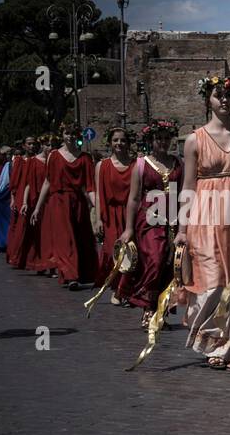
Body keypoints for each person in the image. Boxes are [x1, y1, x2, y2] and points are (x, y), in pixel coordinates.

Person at [176, 75, 230, 367]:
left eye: (228, 94)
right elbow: (187, 185)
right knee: (211, 281)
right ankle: (213, 339)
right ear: (207, 99)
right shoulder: (193, 140)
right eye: (217, 94)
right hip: (206, 213)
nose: (224, 99)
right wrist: (182, 228)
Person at [118, 120, 183, 329]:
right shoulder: (141, 164)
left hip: (172, 220)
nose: (163, 142)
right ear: (151, 140)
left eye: (166, 138)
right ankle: (147, 308)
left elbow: (183, 195)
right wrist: (128, 228)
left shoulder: (177, 163)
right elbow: (134, 198)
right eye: (159, 139)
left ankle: (160, 311)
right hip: (149, 220)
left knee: (169, 264)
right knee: (153, 260)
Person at [30, 123, 98, 289]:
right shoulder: (54, 156)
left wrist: (98, 209)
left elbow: (89, 187)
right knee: (65, 239)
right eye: (68, 133)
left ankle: (81, 273)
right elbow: (48, 181)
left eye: (74, 133)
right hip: (58, 202)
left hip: (78, 203)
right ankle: (70, 275)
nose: (71, 136)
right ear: (62, 134)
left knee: (80, 238)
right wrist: (38, 208)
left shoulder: (85, 158)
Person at [93, 127, 136, 306]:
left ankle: (122, 292)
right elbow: (97, 193)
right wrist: (97, 219)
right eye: (116, 140)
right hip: (111, 215)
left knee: (132, 253)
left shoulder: (136, 164)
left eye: (123, 140)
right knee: (114, 252)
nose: (119, 143)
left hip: (131, 214)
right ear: (110, 143)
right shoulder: (102, 165)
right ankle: (117, 288)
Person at [11, 136, 50, 273]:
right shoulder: (24, 161)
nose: (32, 146)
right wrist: (18, 200)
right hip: (32, 198)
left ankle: (46, 263)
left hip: (50, 200)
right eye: (29, 144)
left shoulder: (51, 160)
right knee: (29, 230)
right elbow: (20, 183)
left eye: (34, 144)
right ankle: (28, 259)